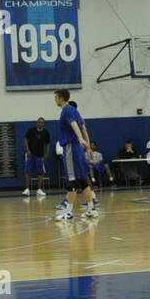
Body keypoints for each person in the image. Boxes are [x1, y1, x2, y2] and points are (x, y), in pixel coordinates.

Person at [54, 89, 97, 220]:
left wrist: (80, 139)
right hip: (78, 148)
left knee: (72, 180)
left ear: (61, 98)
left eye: (56, 97)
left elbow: (74, 125)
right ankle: (91, 209)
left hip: (71, 147)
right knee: (82, 179)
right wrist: (87, 146)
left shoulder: (67, 110)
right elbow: (84, 127)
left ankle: (68, 212)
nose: (55, 99)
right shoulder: (75, 110)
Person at [23, 118, 50, 198]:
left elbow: (48, 143)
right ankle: (27, 189)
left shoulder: (45, 132)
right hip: (31, 154)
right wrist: (28, 150)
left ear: (44, 124)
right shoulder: (31, 130)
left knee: (40, 172)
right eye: (39, 122)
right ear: (37, 122)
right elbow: (25, 139)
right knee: (27, 171)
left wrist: (47, 153)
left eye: (42, 122)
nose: (40, 123)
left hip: (40, 155)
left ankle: (39, 189)